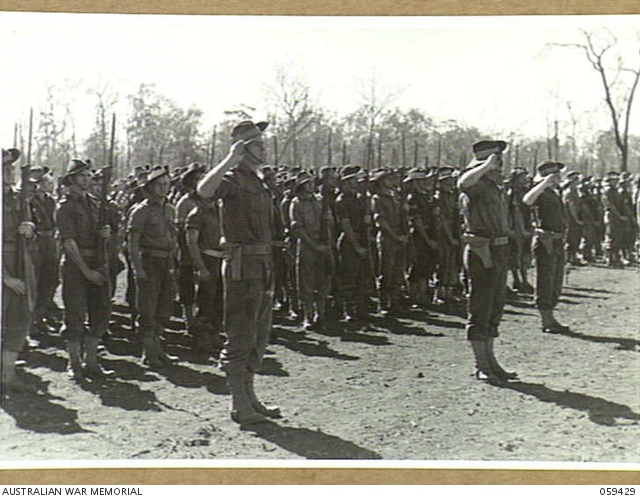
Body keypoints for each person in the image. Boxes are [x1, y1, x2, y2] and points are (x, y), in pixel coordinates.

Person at [197, 120, 281, 426]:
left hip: (262, 265)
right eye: (257, 144)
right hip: (242, 268)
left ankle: (250, 396)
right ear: (243, 149)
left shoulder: (258, 181)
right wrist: (230, 158)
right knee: (241, 334)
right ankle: (238, 404)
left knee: (259, 336)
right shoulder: (232, 177)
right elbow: (204, 190)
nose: (264, 147)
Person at [457, 140, 517, 383]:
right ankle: (481, 365)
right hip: (483, 251)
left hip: (499, 249)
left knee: (494, 308)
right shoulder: (477, 184)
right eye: (497, 160)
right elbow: (462, 183)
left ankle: (491, 362)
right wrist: (484, 166)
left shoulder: (494, 186)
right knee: (480, 307)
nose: (501, 164)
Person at [55, 159, 113, 380]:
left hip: (97, 262)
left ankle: (92, 361)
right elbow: (69, 243)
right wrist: (86, 271)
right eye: (82, 176)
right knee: (75, 313)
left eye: (89, 176)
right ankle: (74, 363)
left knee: (100, 312)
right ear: (71, 179)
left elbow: (101, 233)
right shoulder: (65, 207)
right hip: (76, 266)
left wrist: (105, 233)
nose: (86, 180)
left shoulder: (96, 204)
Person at [127, 165, 179, 369]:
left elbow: (173, 236)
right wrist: (137, 268)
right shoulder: (141, 211)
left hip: (166, 262)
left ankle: (158, 349)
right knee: (147, 308)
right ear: (150, 187)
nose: (163, 189)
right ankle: (148, 352)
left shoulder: (169, 209)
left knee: (164, 306)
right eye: (159, 185)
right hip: (149, 261)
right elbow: (132, 242)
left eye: (166, 184)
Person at [1, 148, 37, 395]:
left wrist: (29, 228)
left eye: (10, 167)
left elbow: (33, 237)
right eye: (4, 167)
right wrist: (5, 277)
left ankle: (8, 375)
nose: (9, 171)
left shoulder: (18, 198)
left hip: (20, 261)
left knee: (18, 319)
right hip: (3, 266)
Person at [522, 160, 571, 334]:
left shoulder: (554, 191)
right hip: (546, 241)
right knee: (545, 280)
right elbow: (527, 200)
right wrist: (544, 182)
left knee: (556, 281)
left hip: (557, 240)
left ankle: (551, 318)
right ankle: (546, 320)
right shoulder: (541, 191)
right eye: (556, 174)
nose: (559, 177)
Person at [289, 172, 332, 330]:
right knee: (306, 282)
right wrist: (314, 246)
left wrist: (328, 220)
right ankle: (308, 316)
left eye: (312, 183)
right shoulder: (297, 203)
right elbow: (297, 228)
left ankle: (320, 314)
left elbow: (328, 224)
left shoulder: (320, 200)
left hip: (323, 243)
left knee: (322, 280)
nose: (311, 185)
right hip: (307, 246)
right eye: (307, 183)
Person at [371, 169, 408, 314]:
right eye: (387, 179)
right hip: (388, 238)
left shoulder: (396, 197)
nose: (391, 181)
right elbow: (381, 222)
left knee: (398, 271)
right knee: (386, 271)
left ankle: (395, 301)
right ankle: (383, 303)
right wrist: (395, 236)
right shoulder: (377, 199)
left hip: (400, 236)